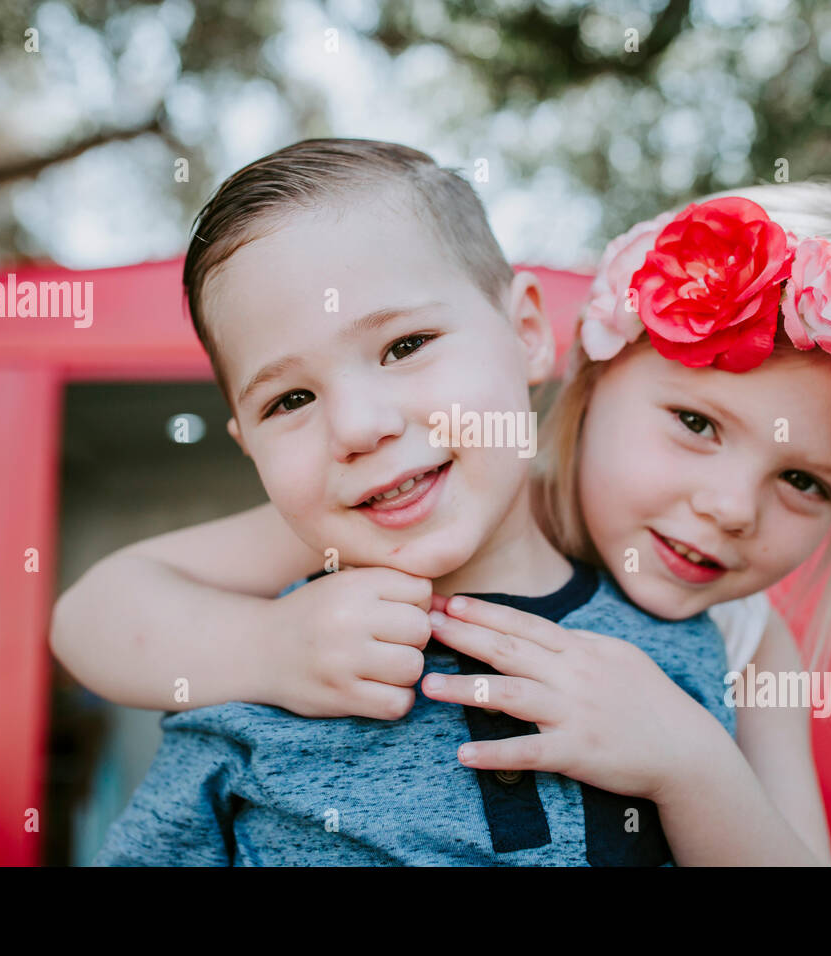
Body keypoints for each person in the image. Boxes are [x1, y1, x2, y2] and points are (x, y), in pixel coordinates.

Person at [87, 138, 741, 866]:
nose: (360, 426)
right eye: (291, 399)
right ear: (250, 445)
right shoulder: (251, 694)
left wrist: (692, 768)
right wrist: (270, 650)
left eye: (406, 345)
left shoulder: (684, 646)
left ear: (526, 333)